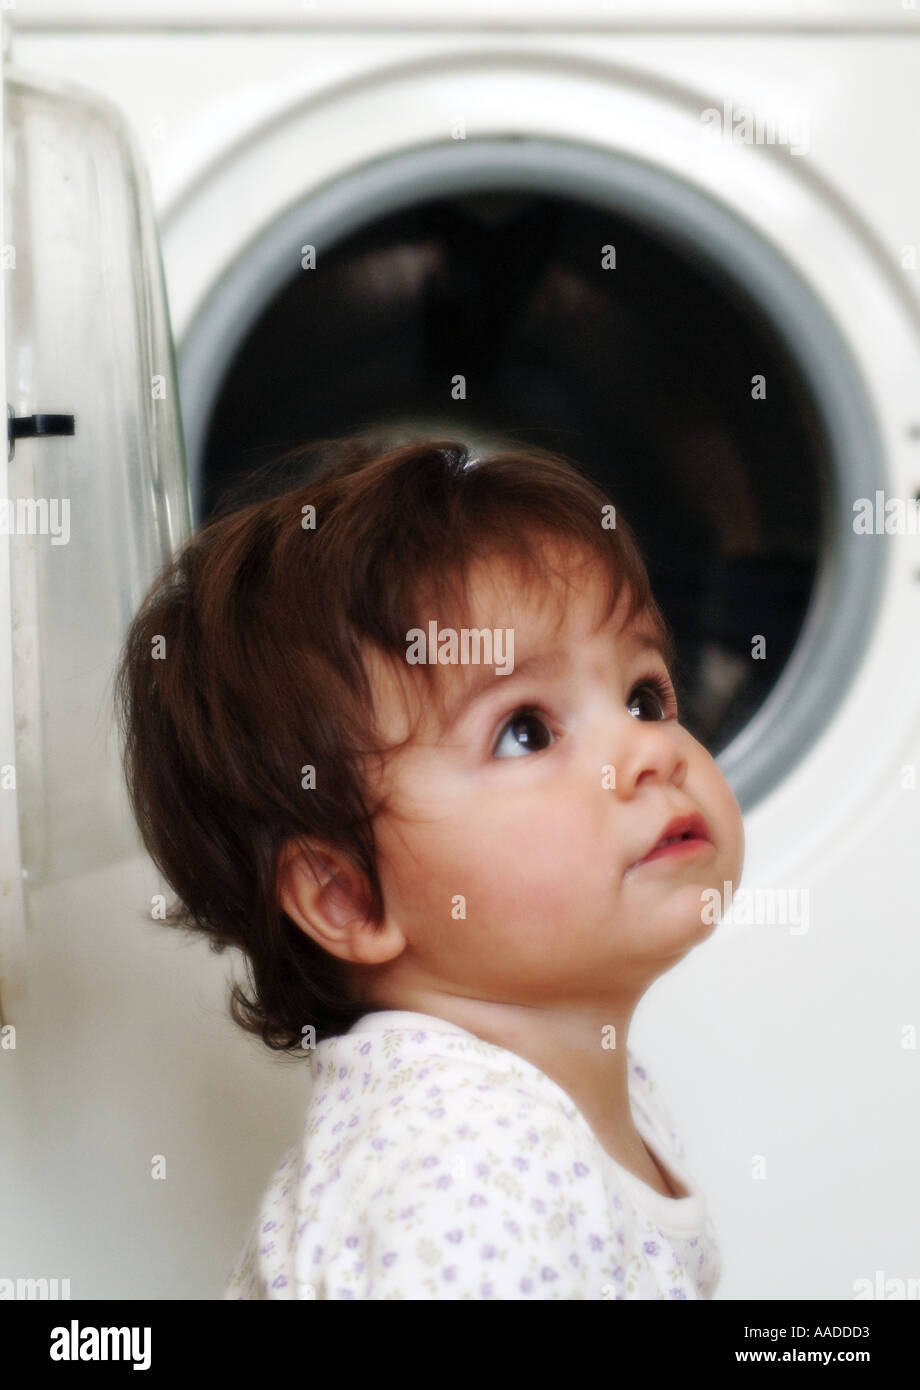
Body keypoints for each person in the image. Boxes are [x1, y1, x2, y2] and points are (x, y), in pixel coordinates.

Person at [115, 434, 745, 1299]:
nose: (651, 750)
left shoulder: (586, 1088)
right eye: (526, 730)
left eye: (645, 695)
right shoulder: (463, 1155)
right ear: (350, 897)